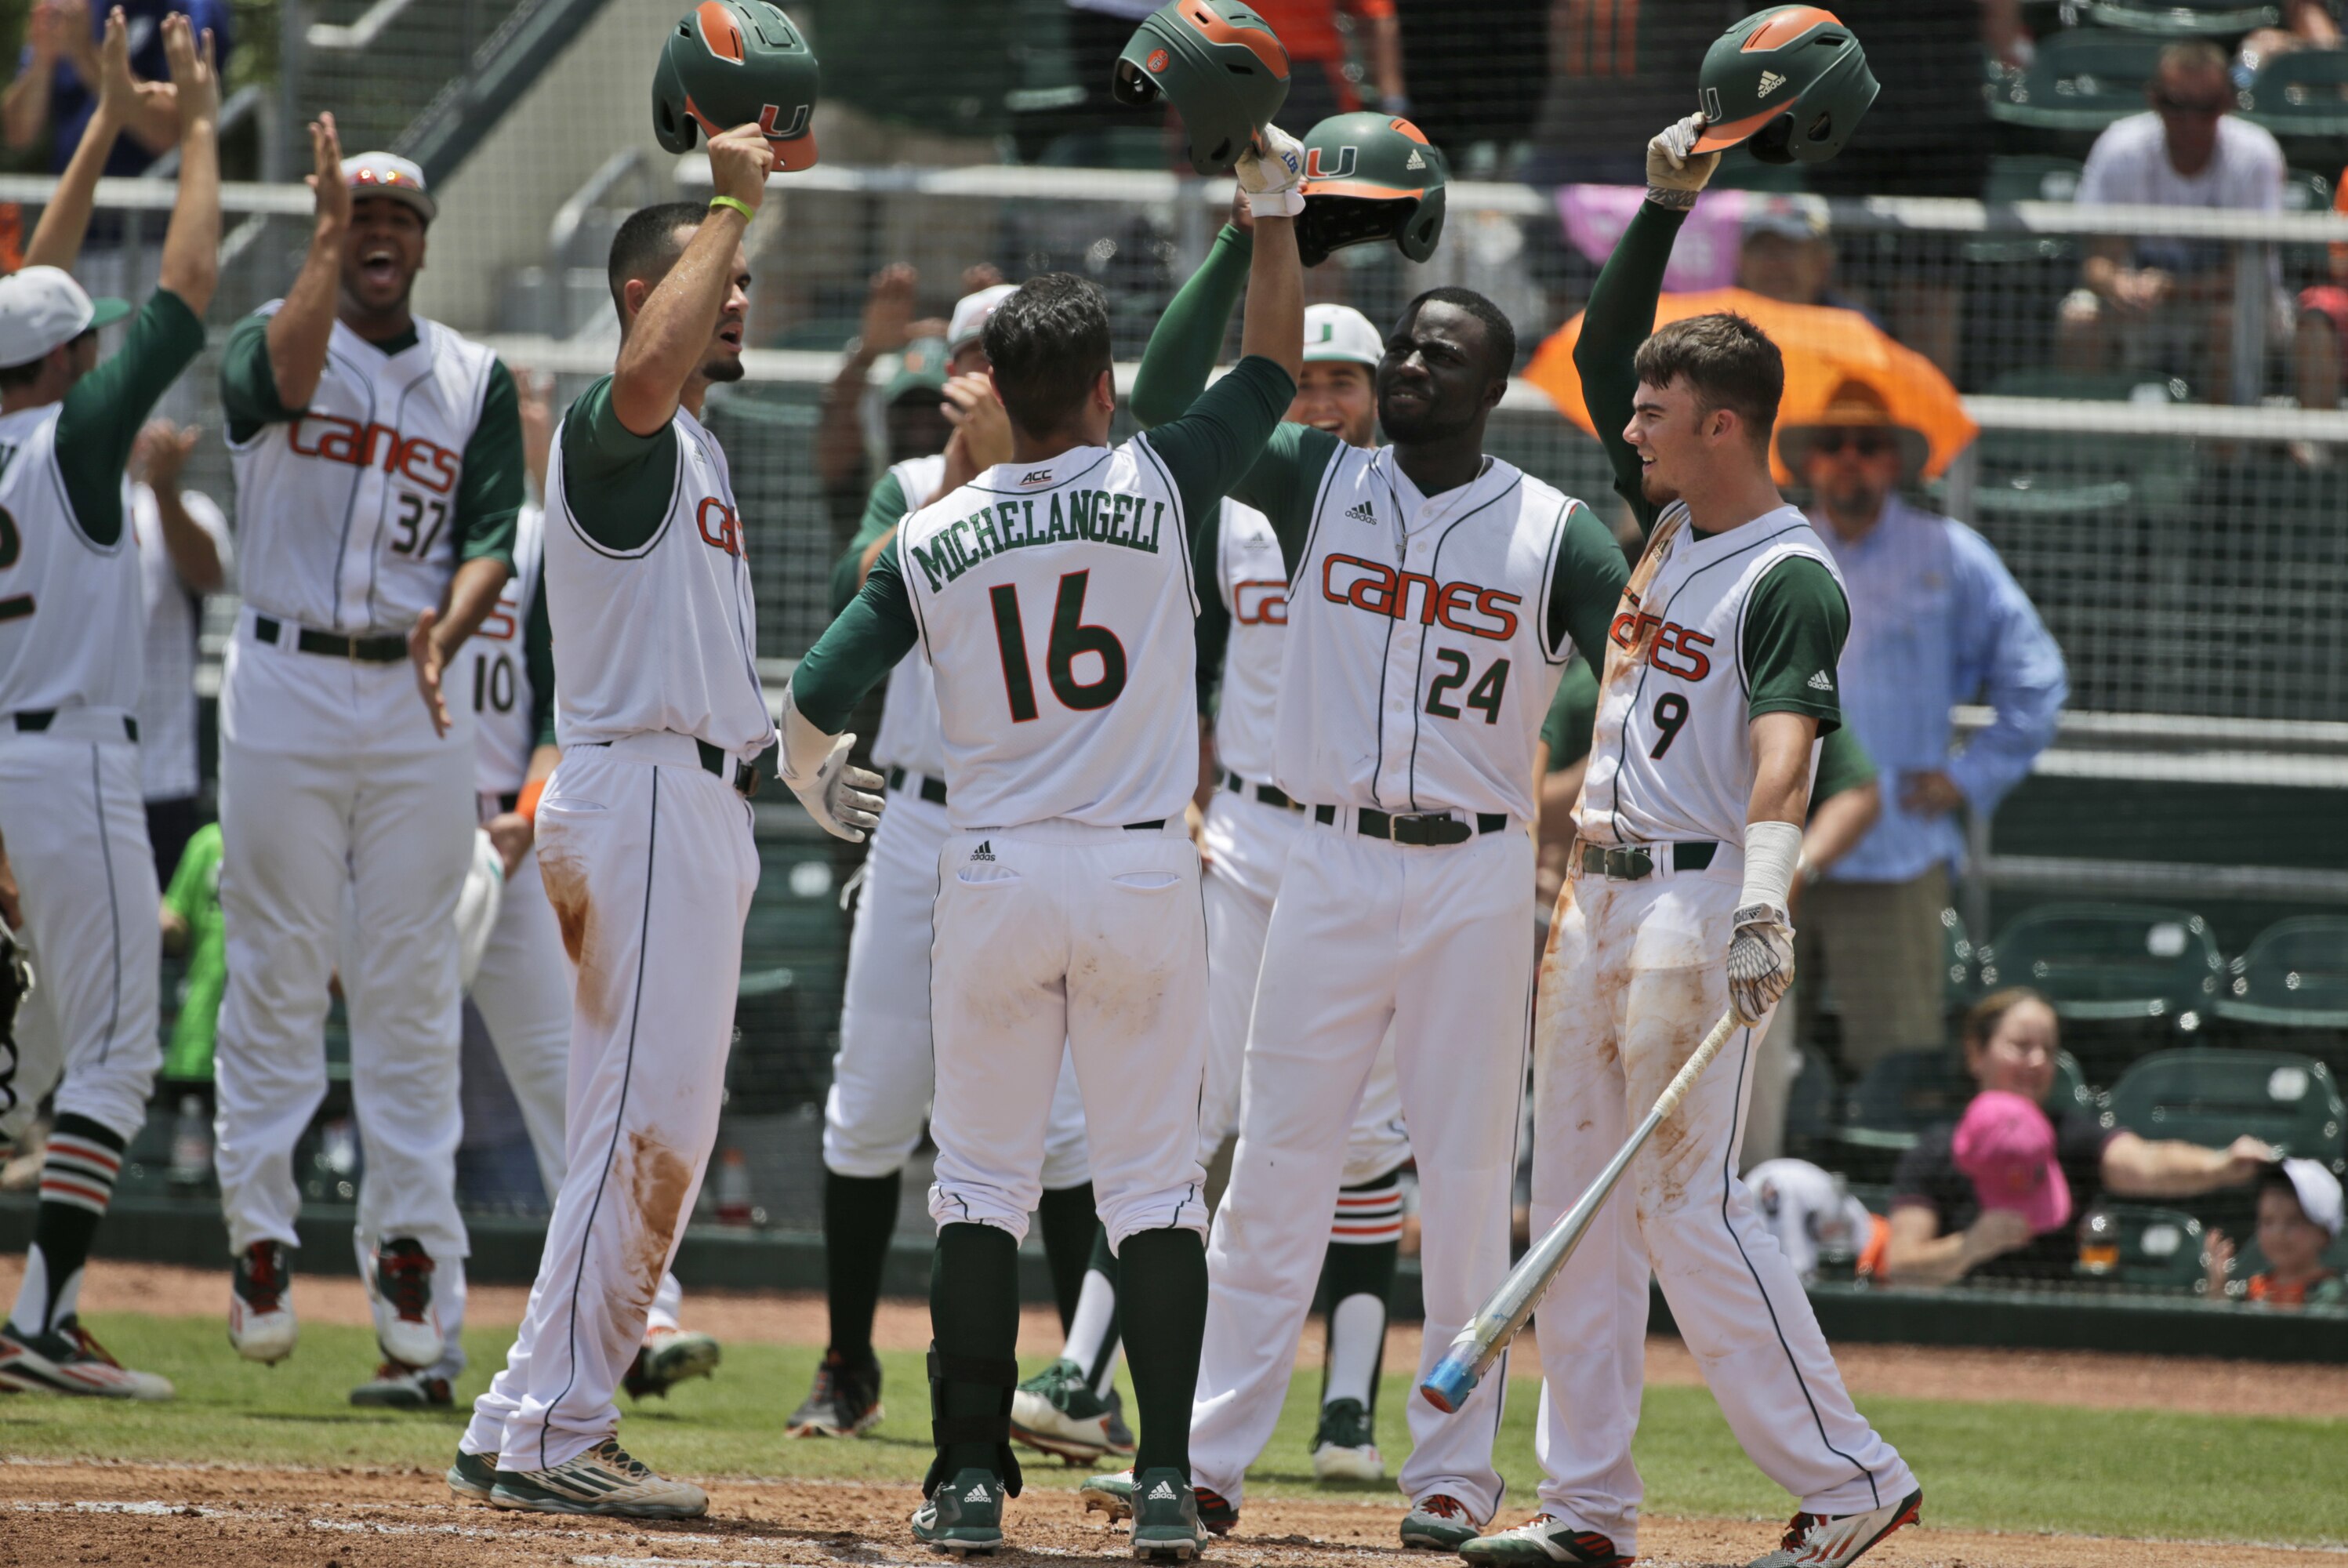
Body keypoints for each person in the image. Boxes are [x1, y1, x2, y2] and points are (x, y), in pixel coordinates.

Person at [782, 126, 1311, 1559]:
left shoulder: (936, 529)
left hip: (993, 869)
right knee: (1152, 1192)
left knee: (976, 1193)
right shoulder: (1159, 483)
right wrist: (1269, 215)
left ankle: (963, 1478)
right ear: (1097, 389)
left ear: (991, 392)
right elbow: (1266, 366)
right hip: (1142, 869)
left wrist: (821, 783)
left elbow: (815, 703)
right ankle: (1158, 1485)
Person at [1095, 155, 1630, 1552]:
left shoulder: (1551, 531)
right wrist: (1245, 239)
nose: (1412, 365)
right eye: (1404, 345)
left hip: (1469, 872)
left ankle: (1450, 1477)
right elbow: (1165, 403)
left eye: (1444, 354)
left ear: (1494, 388)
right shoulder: (1317, 478)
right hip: (1323, 862)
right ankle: (1204, 1463)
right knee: (1274, 1169)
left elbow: (1642, 662)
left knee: (1458, 1188)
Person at [1467, 114, 1922, 1568]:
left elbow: (1788, 756)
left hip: (1690, 901)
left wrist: (1764, 905)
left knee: (1681, 1208)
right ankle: (1589, 1506)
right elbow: (1611, 357)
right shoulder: (1667, 519)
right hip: (1590, 899)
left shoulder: (1788, 575)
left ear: (1723, 425)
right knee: (1577, 1216)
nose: (1633, 428)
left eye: (1662, 415)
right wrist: (1663, 208)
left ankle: (1851, 1475)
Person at [448, 123, 797, 1515]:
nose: (737, 299)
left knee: (639, 1131)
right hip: (645, 792)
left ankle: (519, 1415)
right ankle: (557, 1435)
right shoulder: (616, 430)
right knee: (643, 1133)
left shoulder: (696, 451)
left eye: (740, 282)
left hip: (682, 799)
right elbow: (643, 368)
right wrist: (728, 201)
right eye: (712, 283)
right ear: (647, 299)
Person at [211, 124, 523, 1401]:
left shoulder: (473, 373)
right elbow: (279, 383)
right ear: (332, 231)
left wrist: (448, 632)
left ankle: (409, 1249)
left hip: (411, 694)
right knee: (278, 964)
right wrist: (321, 242)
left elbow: (493, 529)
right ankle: (262, 1239)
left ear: (427, 239)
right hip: (282, 671)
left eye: (398, 219)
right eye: (359, 217)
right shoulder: (277, 337)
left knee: (407, 984)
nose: (380, 234)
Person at [364, 368, 722, 1412]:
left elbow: (570, 700)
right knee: (407, 1091)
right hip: (415, 842)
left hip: (515, 840)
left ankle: (638, 1310)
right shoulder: (376, 543)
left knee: (577, 1081)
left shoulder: (533, 541)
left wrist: (527, 809)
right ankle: (419, 1342)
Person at [797, 280, 1112, 1450]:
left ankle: (1084, 1380)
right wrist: (959, 470)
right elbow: (854, 599)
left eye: (991, 358)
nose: (972, 376)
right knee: (869, 1100)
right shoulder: (916, 488)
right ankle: (845, 1362)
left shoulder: (1091, 485)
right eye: (968, 354)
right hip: (922, 820)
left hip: (1044, 819)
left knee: (1073, 1124)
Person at [0, 7, 217, 1401]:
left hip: (10, 757)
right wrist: (196, 134)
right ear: (75, 364)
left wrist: (87, 124)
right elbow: (185, 291)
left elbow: (38, 286)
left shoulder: (23, 417)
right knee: (122, 1050)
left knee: (53, 1062)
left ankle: (37, 1317)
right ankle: (44, 1320)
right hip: (76, 766)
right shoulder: (84, 437)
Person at [1783, 380, 2065, 1077]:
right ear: (1808, 461)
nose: (1849, 458)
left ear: (1893, 463)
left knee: (1891, 1064)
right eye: (1831, 444)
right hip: (1765, 845)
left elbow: (2037, 678)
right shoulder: (1772, 550)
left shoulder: (1949, 553)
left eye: (1868, 445)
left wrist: (1965, 778)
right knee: (1750, 1053)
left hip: (1894, 854)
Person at [1885, 988, 2283, 1287]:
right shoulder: (1935, 1152)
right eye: (2021, 1047)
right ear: (1976, 1053)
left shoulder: (2072, 1137)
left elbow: (2146, 1163)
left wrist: (2220, 1164)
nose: (2037, 1062)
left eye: (2048, 1049)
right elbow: (1900, 1266)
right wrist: (1969, 1247)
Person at [2059, 40, 2288, 394]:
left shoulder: (2254, 155)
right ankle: (2089, 446)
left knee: (2225, 323)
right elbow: (2098, 261)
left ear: (2227, 103)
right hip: (2142, 306)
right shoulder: (2121, 149)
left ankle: (2224, 447)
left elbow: (2248, 277)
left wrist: (2173, 287)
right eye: (2176, 106)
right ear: (2154, 99)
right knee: (2081, 320)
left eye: (2205, 108)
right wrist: (2119, 284)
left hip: (2231, 306)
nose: (2190, 122)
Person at [1740, 725, 1880, 1171]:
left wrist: (1796, 869)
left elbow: (1860, 791)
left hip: (1750, 952)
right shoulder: (1600, 683)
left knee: (1749, 1163)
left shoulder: (1773, 676)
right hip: (1643, 929)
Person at [126, 416, 228, 877]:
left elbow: (209, 574)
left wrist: (163, 489)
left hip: (162, 773)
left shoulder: (186, 507)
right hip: (66, 769)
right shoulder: (56, 504)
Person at [2206, 1160, 2345, 1307]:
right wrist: (2218, 1288)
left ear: (2323, 1233)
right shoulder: (2254, 1289)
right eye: (2267, 1221)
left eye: (2293, 1221)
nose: (2278, 1233)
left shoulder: (2335, 1296)